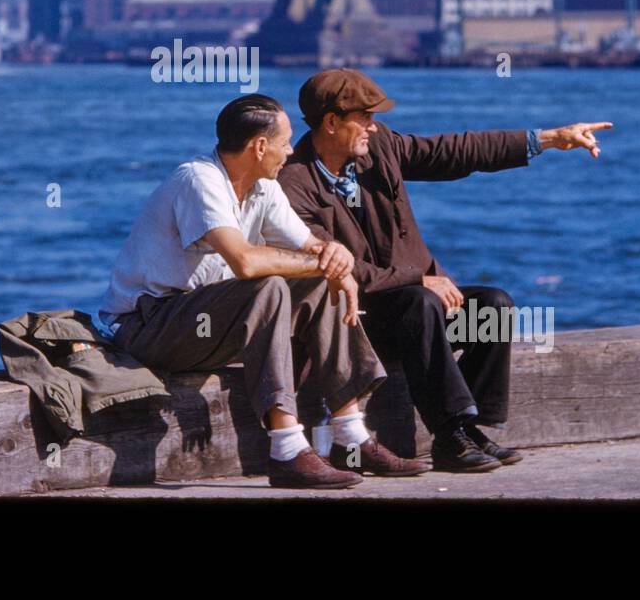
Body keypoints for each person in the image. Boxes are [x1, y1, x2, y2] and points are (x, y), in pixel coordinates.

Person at [277, 68, 611, 473]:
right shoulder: (293, 183)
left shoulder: (378, 149)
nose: (373, 125)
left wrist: (548, 139)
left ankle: (469, 429)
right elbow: (338, 271)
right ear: (330, 122)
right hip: (358, 325)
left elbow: (454, 151)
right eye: (364, 117)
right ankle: (449, 434)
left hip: (415, 311)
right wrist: (418, 280)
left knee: (492, 306)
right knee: (420, 303)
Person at [99, 94, 428, 488]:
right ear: (259, 146)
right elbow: (246, 263)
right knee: (267, 286)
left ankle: (350, 435)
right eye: (286, 143)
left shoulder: (263, 187)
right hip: (146, 327)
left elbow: (311, 249)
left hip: (203, 325)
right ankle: (287, 450)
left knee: (315, 283)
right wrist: (325, 263)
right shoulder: (199, 180)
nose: (291, 152)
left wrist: (335, 259)